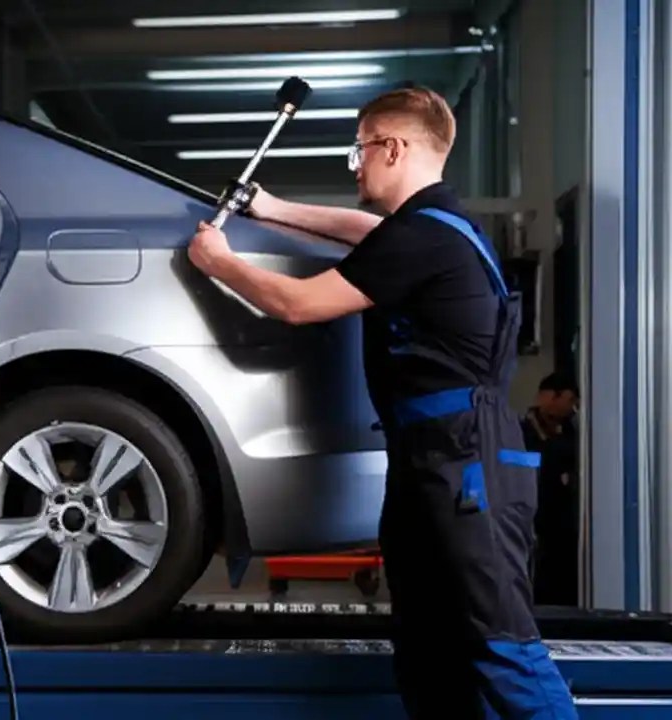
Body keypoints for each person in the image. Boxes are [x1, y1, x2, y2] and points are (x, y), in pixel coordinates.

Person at [187, 87, 578, 719]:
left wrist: (220, 263)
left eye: (359, 150)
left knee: (500, 645)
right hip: (434, 464)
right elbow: (366, 230)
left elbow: (299, 305)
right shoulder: (438, 229)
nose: (357, 164)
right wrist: (275, 207)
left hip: (464, 468)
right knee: (429, 654)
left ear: (392, 148)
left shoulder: (425, 238)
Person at [521, 372, 581, 607]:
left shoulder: (572, 431)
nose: (572, 408)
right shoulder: (522, 432)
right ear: (550, 397)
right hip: (537, 521)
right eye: (570, 401)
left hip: (566, 524)